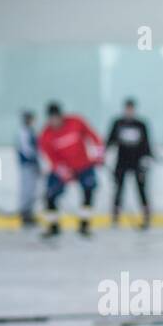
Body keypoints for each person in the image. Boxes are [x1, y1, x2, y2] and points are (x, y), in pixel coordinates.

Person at [37, 102, 103, 238]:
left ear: (62, 116)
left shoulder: (76, 122)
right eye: (51, 118)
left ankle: (84, 225)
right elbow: (52, 158)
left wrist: (98, 154)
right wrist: (64, 171)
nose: (54, 121)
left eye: (56, 117)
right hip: (64, 169)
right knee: (49, 195)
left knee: (89, 189)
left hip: (84, 166)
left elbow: (93, 136)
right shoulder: (45, 135)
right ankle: (53, 226)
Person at [106, 98, 153, 229]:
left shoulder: (141, 124)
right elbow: (109, 141)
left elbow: (147, 145)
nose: (129, 111)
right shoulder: (117, 123)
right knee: (119, 189)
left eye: (131, 109)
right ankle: (115, 216)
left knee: (141, 189)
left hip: (137, 162)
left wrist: (147, 159)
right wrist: (103, 156)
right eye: (127, 109)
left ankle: (146, 215)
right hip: (122, 161)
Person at [15, 111, 39, 227]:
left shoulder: (31, 131)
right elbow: (26, 149)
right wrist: (35, 159)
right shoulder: (24, 132)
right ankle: (25, 214)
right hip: (27, 165)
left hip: (31, 165)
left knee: (31, 189)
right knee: (27, 189)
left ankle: (29, 213)